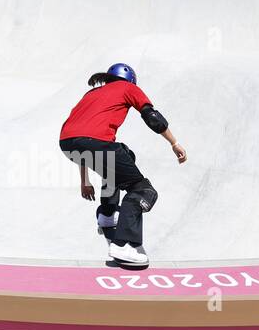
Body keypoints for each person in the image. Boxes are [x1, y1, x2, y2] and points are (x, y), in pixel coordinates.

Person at [58, 63, 186, 268]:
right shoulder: (128, 88)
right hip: (97, 144)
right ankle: (123, 244)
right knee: (143, 190)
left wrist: (85, 180)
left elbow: (80, 138)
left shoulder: (90, 95)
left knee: (124, 157)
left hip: (67, 143)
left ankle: (107, 214)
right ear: (130, 80)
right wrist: (174, 142)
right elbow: (152, 117)